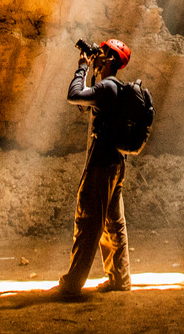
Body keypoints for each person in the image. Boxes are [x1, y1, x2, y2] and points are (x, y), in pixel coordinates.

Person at [54, 38, 134, 298]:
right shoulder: (116, 89)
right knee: (113, 223)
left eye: (101, 54)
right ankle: (119, 278)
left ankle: (72, 284)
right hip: (115, 163)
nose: (97, 57)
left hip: (101, 164)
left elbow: (74, 95)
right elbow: (84, 102)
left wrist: (81, 68)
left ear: (110, 59)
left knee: (89, 221)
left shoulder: (107, 86)